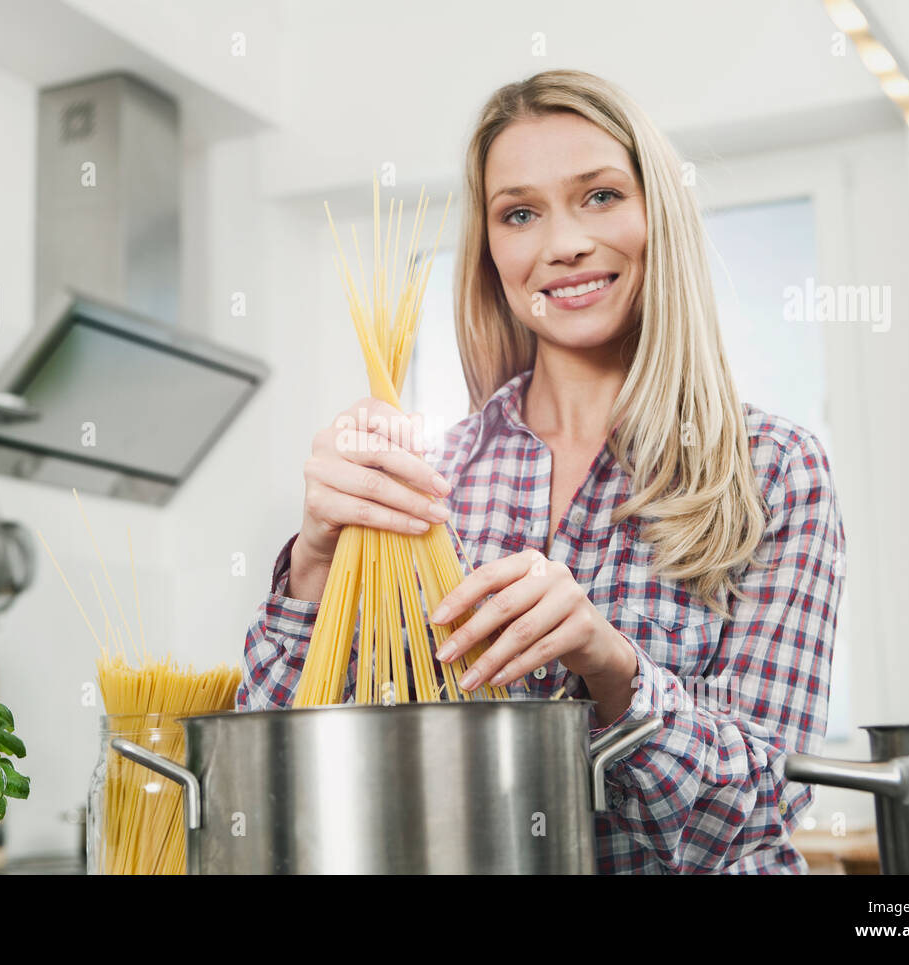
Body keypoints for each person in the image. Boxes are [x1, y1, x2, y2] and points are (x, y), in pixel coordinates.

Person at [237, 69, 846, 874]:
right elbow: (282, 788)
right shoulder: (431, 482)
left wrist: (612, 666)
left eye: (599, 195)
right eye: (520, 213)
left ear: (656, 212)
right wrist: (313, 562)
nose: (563, 243)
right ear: (491, 251)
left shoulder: (773, 472)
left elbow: (753, 811)